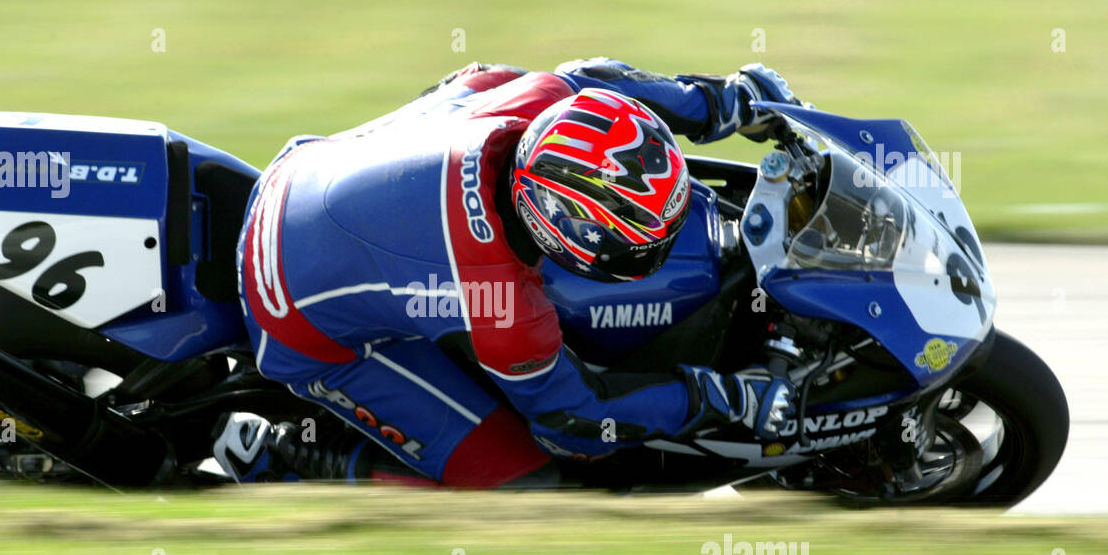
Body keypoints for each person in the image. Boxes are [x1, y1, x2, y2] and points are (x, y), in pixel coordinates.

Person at [214, 59, 801, 487]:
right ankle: (289, 462)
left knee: (477, 81)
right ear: (566, 232)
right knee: (526, 485)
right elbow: (574, 419)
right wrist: (720, 398)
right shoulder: (501, 300)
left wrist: (725, 103)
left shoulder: (533, 107)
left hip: (297, 170)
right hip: (289, 314)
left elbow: (596, 79)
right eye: (644, 245)